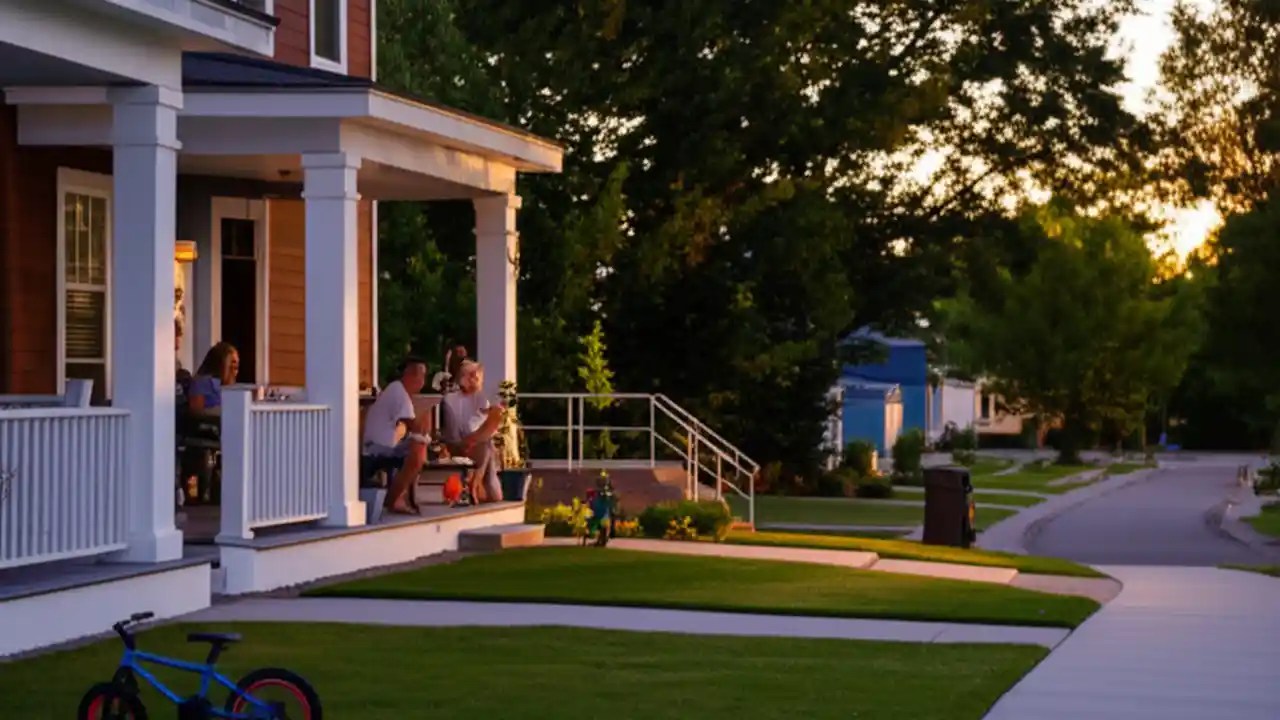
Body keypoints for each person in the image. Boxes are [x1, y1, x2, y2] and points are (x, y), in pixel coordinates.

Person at [363, 357, 431, 515]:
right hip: (375, 448)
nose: (423, 382)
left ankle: (401, 497)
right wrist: (426, 425)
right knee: (417, 449)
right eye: (422, 376)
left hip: (380, 445)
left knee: (417, 447)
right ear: (412, 376)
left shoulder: (398, 391)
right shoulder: (398, 391)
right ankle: (393, 500)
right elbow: (414, 427)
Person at [441, 360, 504, 503]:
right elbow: (459, 430)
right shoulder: (450, 399)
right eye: (471, 376)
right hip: (456, 445)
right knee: (487, 445)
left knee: (495, 496)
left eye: (477, 377)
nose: (475, 381)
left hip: (476, 446)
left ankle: (476, 482)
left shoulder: (481, 399)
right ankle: (475, 485)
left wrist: (474, 438)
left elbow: (485, 425)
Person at [188, 342, 239, 415]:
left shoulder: (230, 385)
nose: (235, 367)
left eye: (236, 363)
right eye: (232, 362)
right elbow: (196, 413)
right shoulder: (200, 383)